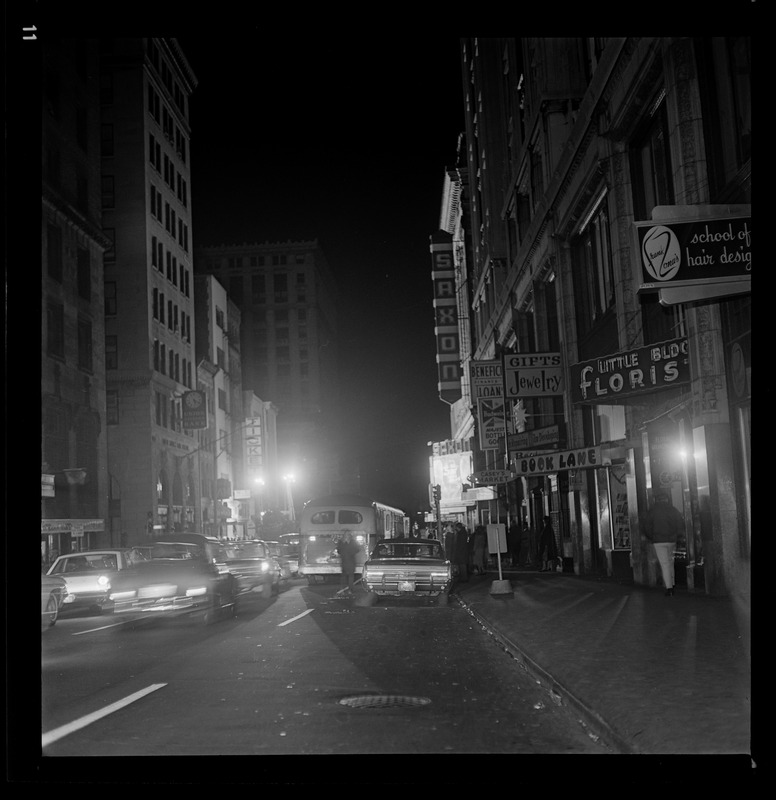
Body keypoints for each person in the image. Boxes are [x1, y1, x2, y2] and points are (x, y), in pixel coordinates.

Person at [643, 490, 684, 596]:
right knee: (670, 562)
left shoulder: (652, 511)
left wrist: (651, 537)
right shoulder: (673, 510)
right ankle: (673, 583)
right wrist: (678, 536)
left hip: (658, 541)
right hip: (671, 540)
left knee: (664, 564)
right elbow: (680, 524)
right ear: (667, 499)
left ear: (657, 500)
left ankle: (669, 588)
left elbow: (647, 526)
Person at [335, 530, 361, 595]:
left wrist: (351, 552)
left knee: (351, 576)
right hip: (344, 561)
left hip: (351, 561)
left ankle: (350, 589)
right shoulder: (341, 542)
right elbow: (338, 550)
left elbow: (357, 549)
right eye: (346, 534)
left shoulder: (353, 542)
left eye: (348, 534)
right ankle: (343, 589)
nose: (347, 536)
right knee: (344, 576)